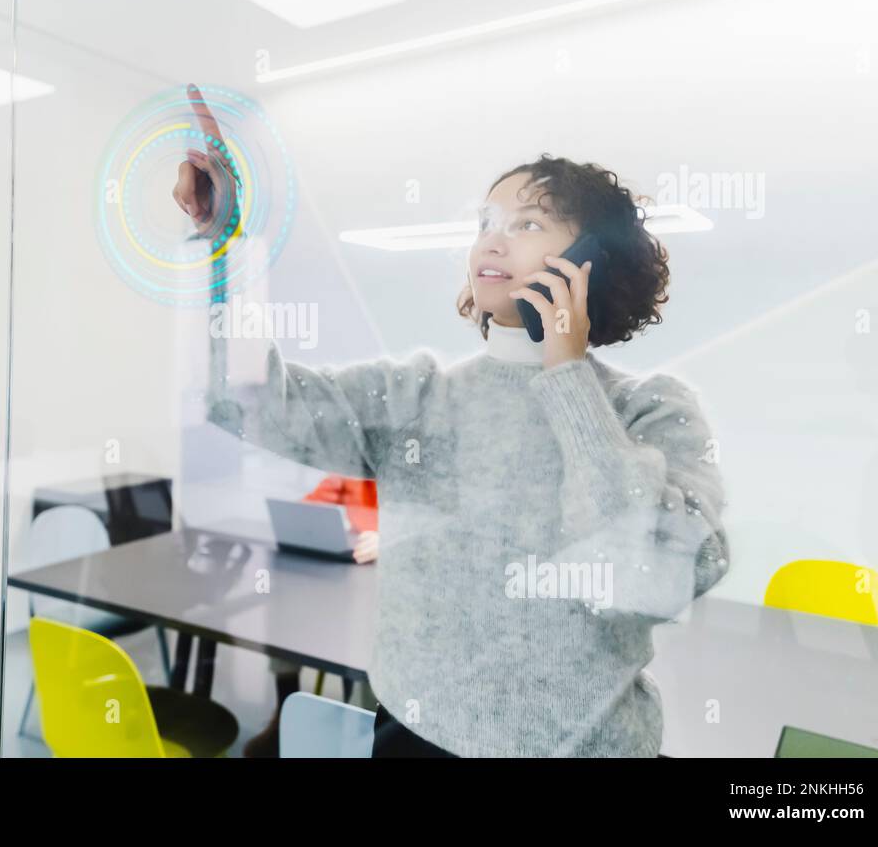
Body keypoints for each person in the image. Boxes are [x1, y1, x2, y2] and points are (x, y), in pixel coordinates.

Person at [175, 85, 731, 757]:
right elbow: (246, 401)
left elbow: (644, 578)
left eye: (528, 223)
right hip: (416, 739)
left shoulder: (652, 410)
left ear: (589, 261)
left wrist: (567, 373)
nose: (492, 239)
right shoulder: (420, 394)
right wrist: (223, 244)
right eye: (485, 223)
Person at [242, 474, 379, 758]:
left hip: (391, 577)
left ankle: (361, 729)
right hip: (353, 568)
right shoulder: (355, 468)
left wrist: (392, 539)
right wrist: (301, 524)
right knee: (286, 600)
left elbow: (438, 520)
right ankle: (284, 710)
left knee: (362, 632)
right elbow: (312, 504)